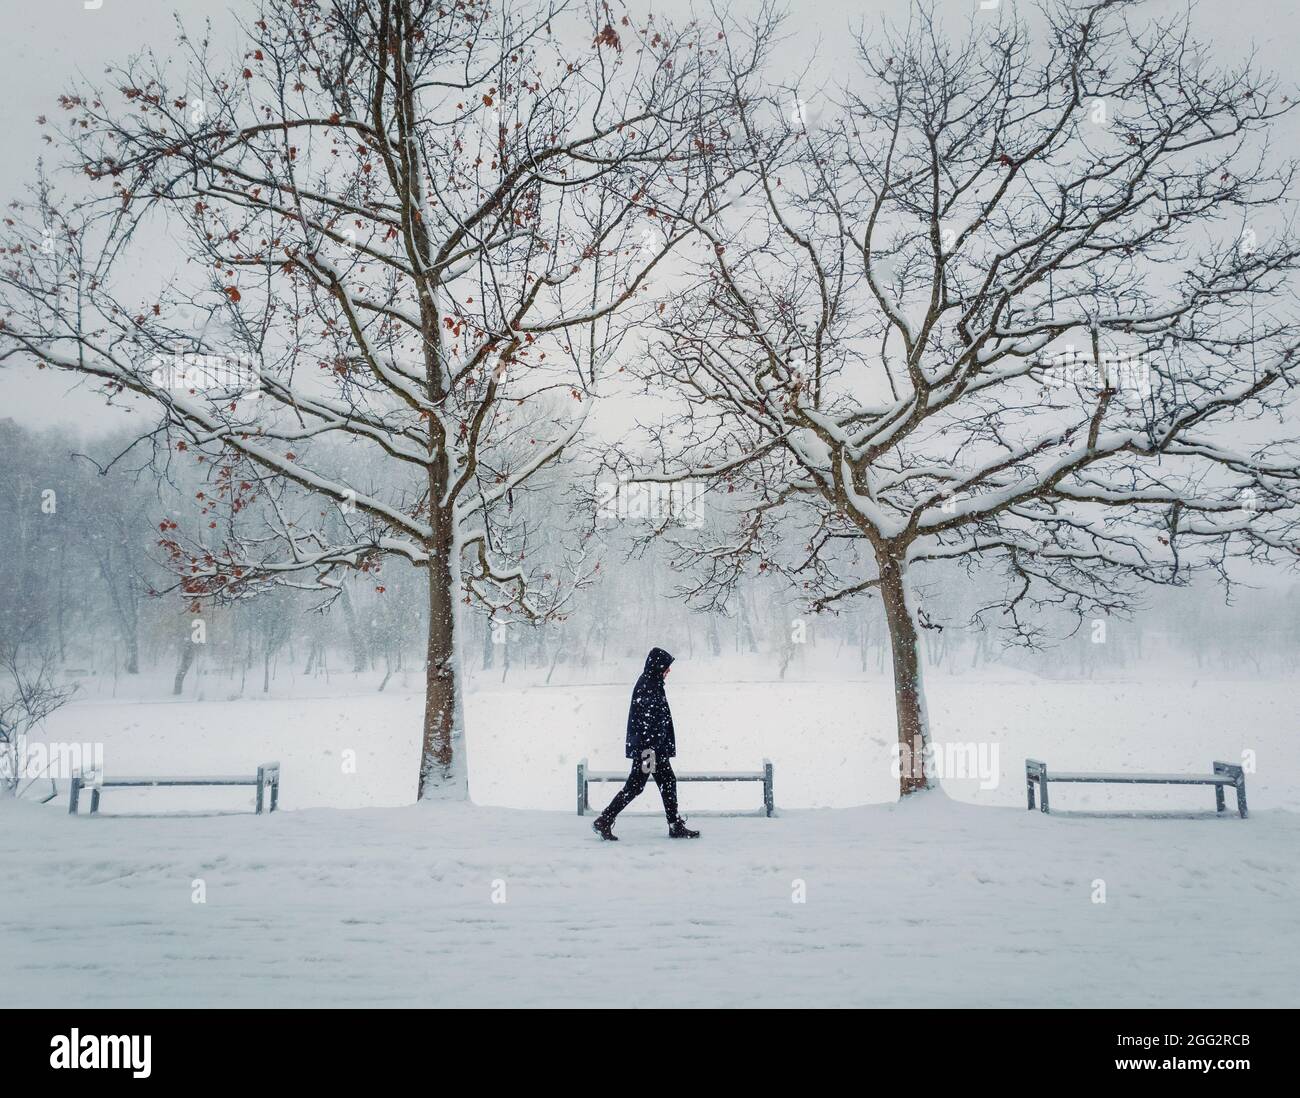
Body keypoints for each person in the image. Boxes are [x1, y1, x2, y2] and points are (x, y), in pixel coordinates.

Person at [592, 647, 700, 840]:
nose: (669, 670)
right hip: (650, 750)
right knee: (637, 786)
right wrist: (652, 749)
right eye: (667, 667)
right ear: (658, 666)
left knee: (664, 782)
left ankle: (674, 824)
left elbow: (652, 720)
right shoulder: (649, 685)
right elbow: (650, 722)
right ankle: (605, 819)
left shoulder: (651, 682)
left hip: (651, 749)